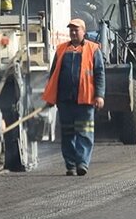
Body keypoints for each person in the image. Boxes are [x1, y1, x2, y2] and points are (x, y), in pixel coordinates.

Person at [42, 17, 106, 176]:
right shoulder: (61, 49)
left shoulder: (93, 49)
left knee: (84, 133)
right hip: (65, 101)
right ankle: (70, 165)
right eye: (71, 29)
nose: (73, 32)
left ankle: (82, 163)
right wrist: (51, 97)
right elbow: (53, 75)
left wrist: (99, 95)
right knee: (67, 134)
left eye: (76, 29)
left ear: (83, 32)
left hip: (85, 100)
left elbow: (99, 74)